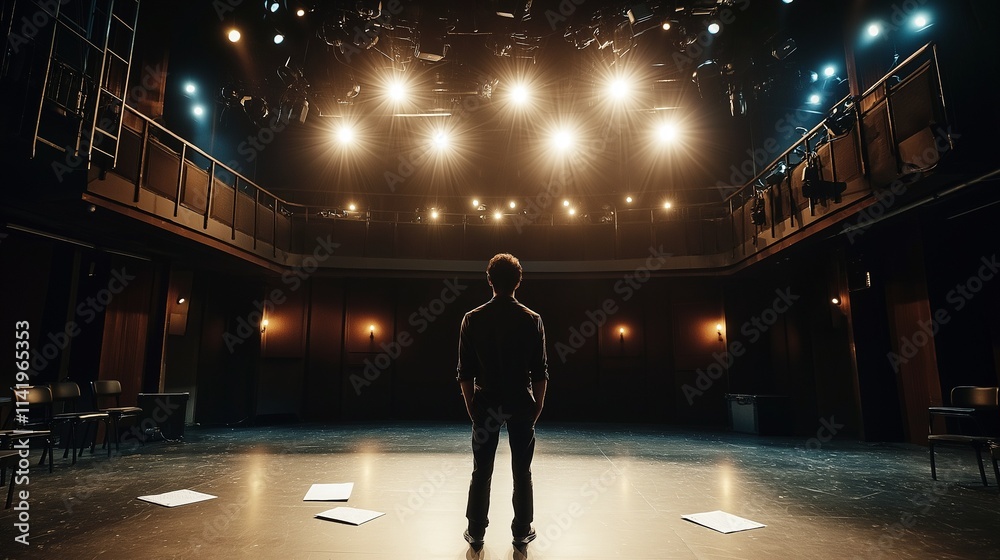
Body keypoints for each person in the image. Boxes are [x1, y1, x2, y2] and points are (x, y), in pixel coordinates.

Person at [457, 252, 548, 551]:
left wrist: (472, 406)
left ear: (489, 280)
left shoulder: (472, 319)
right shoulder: (533, 320)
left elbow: (465, 372)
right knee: (522, 470)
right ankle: (522, 530)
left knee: (481, 469)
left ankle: (476, 531)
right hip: (521, 402)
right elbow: (540, 371)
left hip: (486, 402)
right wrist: (538, 405)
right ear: (518, 281)